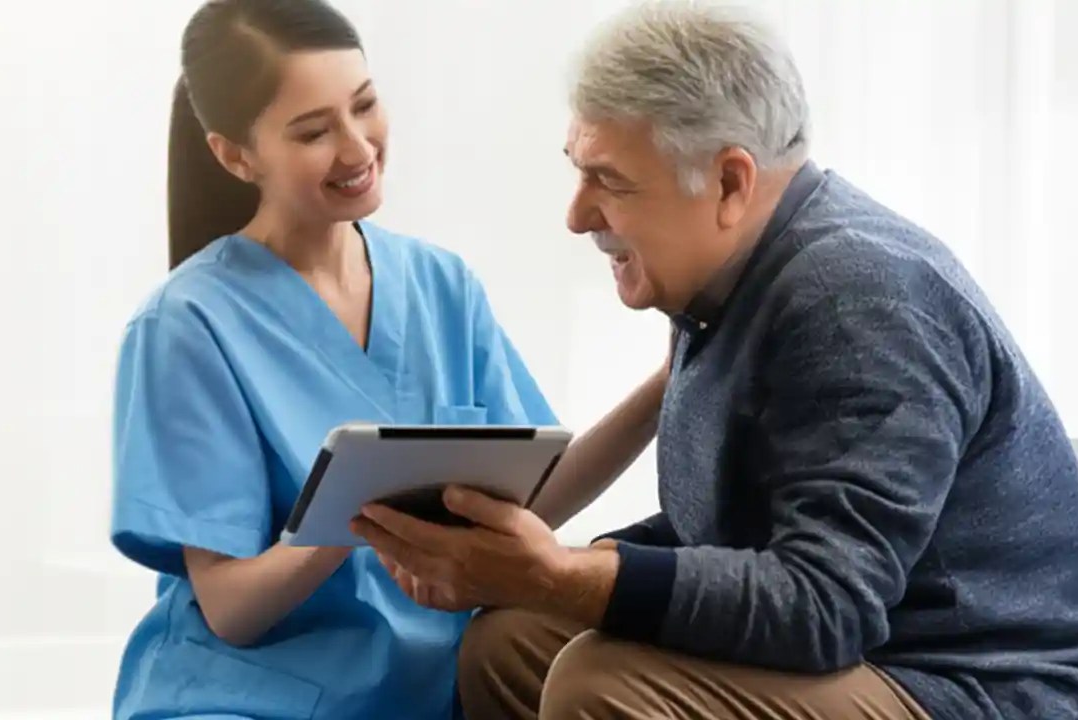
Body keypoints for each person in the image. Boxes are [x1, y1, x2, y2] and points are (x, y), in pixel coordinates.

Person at [350, 2, 1078, 719]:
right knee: (513, 639)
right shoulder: (736, 287)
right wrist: (534, 571)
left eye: (610, 182)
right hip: (878, 655)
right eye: (576, 169)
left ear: (730, 182)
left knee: (600, 681)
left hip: (987, 689)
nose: (577, 215)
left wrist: (562, 573)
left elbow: (827, 604)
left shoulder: (857, 300)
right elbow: (737, 527)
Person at [107, 1, 667, 718]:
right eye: (313, 131)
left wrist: (667, 382)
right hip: (245, 697)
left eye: (364, 105)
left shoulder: (441, 286)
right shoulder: (186, 325)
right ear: (235, 154)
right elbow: (231, 610)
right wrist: (358, 509)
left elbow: (534, 501)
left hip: (427, 690)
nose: (356, 147)